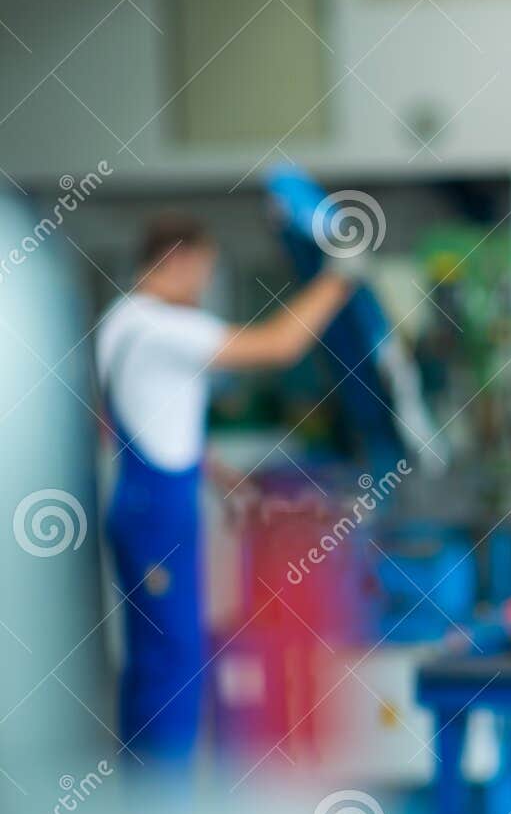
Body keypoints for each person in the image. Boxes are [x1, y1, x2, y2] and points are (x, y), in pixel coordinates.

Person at [96, 212, 354, 767]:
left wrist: (222, 478)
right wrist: (341, 278)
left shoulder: (120, 321)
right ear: (177, 260)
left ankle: (139, 809)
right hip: (158, 516)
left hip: (144, 505)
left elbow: (152, 417)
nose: (205, 285)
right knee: (176, 663)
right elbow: (280, 346)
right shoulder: (161, 326)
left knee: (151, 661)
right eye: (205, 271)